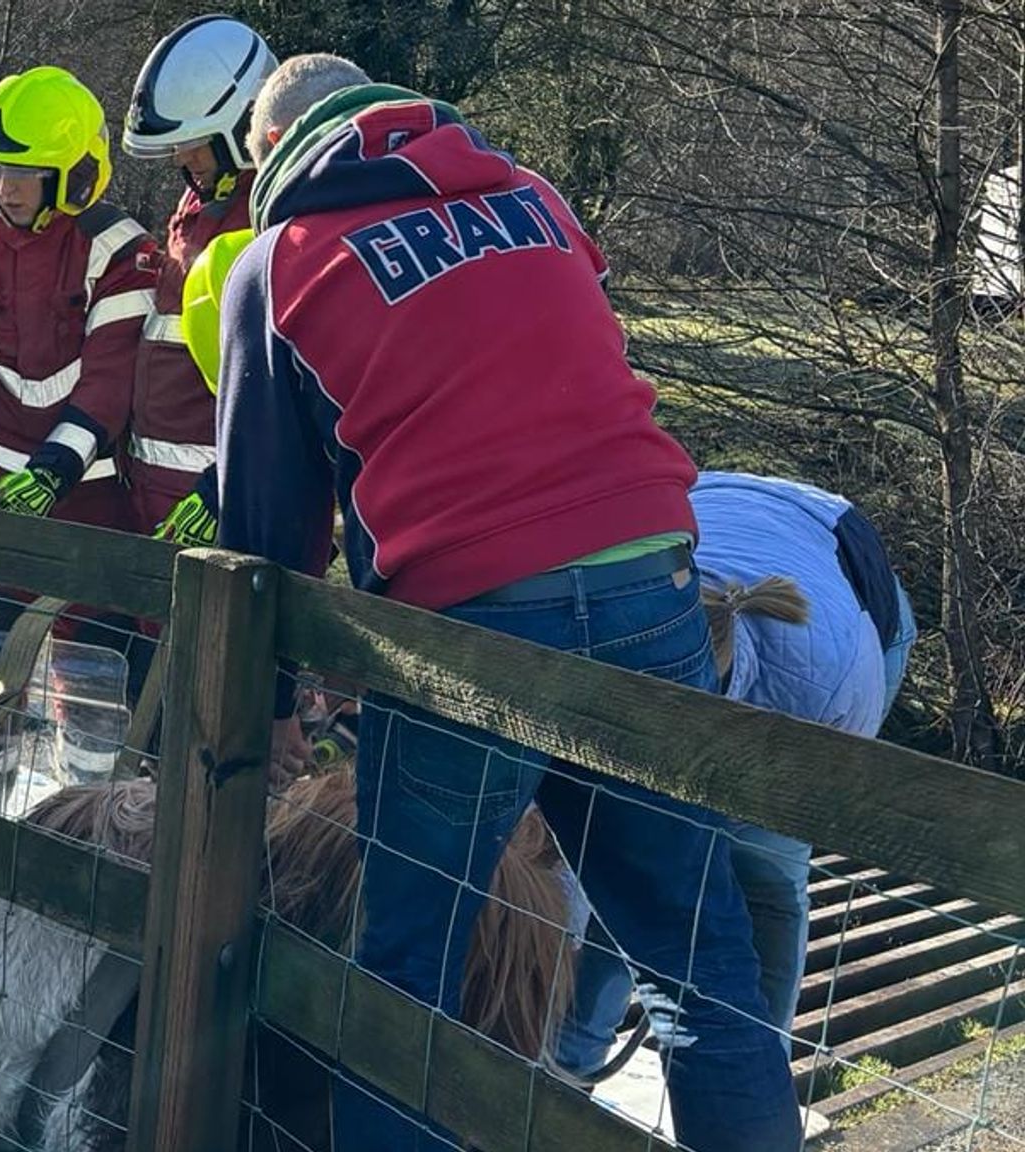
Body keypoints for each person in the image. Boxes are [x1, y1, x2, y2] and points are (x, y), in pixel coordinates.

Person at [212, 60, 805, 1151]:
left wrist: (275, 694)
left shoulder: (279, 262)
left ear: (270, 156)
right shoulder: (534, 199)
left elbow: (262, 524)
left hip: (468, 619)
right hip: (652, 588)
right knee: (697, 971)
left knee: (407, 988)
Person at [555, 472, 917, 1078]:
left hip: (850, 580)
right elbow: (581, 852)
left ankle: (756, 1078)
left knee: (768, 876)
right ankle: (569, 1060)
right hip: (712, 501)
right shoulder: (608, 644)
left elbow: (816, 818)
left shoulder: (826, 684)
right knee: (636, 863)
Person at [0, 64, 155, 535]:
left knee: (85, 610)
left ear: (75, 174)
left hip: (88, 484)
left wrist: (53, 469)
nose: (7, 188)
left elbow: (110, 384)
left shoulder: (123, 252)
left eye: (25, 172)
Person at [119, 14, 275, 537]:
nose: (183, 156)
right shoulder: (200, 199)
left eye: (197, 141)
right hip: (152, 476)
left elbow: (276, 379)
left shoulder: (268, 216)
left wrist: (226, 486)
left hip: (221, 489)